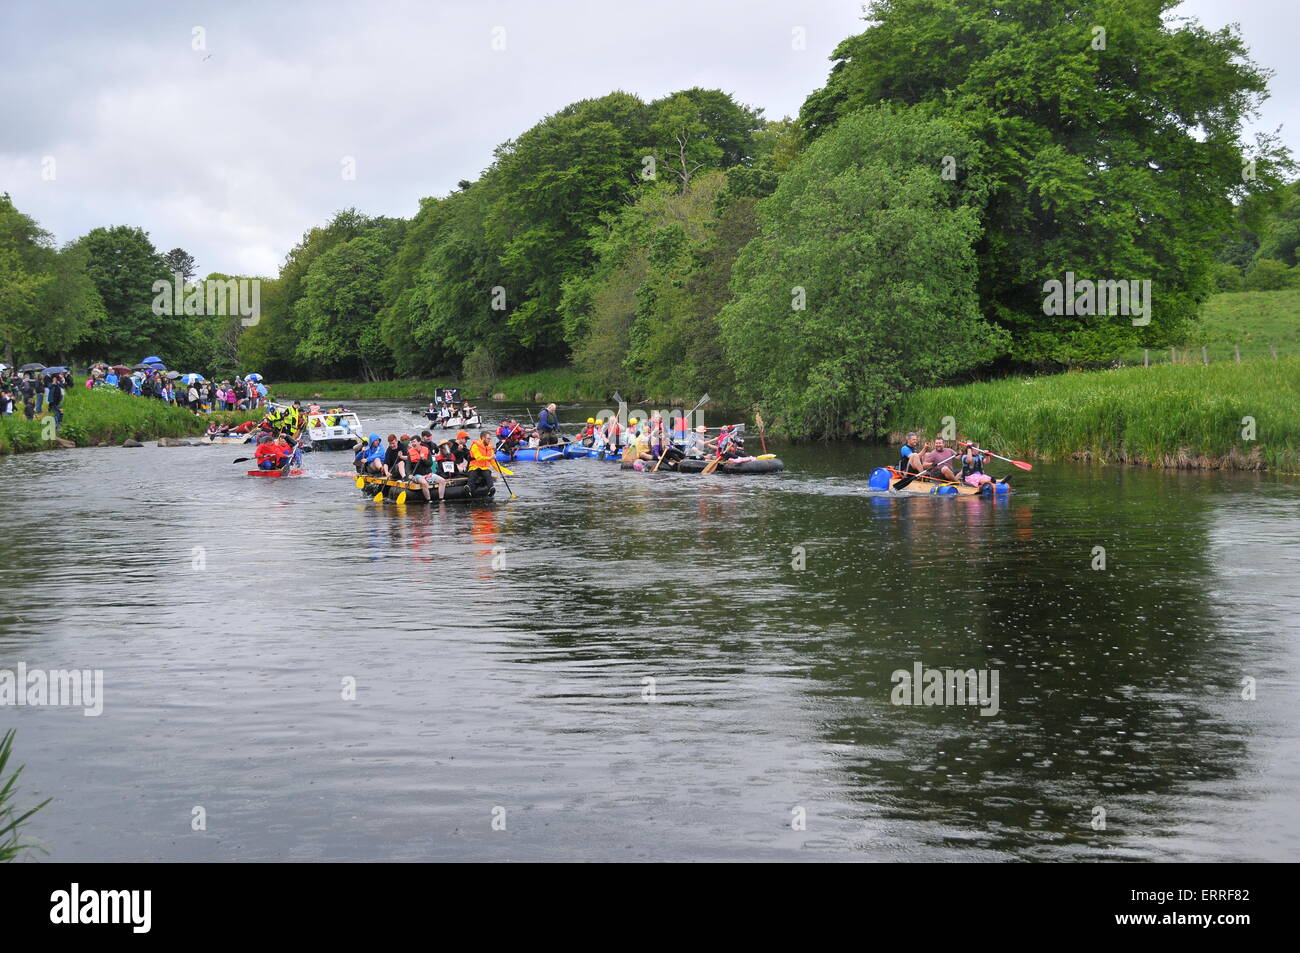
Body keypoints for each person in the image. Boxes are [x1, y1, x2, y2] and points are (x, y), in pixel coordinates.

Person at [467, 430, 498, 495]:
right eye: (488, 439)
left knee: (488, 474)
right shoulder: (475, 446)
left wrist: (499, 470)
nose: (489, 440)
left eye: (490, 439)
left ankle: (491, 488)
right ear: (483, 438)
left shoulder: (489, 447)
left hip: (484, 467)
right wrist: (490, 458)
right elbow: (479, 458)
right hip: (475, 466)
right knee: (473, 474)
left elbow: (493, 461)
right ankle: (469, 488)